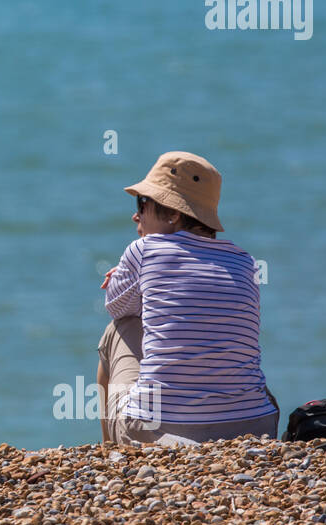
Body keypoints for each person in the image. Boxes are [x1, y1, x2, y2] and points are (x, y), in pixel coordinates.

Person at [97, 151, 278, 445]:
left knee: (119, 330)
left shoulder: (143, 250)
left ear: (173, 214)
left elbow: (117, 308)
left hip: (158, 429)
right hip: (255, 429)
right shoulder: (245, 262)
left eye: (143, 204)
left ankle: (109, 451)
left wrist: (131, 277)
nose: (135, 215)